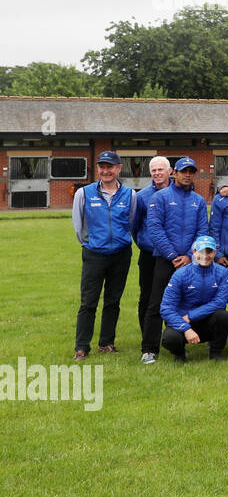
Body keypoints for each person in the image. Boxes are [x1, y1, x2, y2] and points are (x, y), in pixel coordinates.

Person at [71, 150, 138, 360]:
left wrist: (120, 241)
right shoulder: (84, 193)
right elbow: (78, 226)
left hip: (121, 254)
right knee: (88, 302)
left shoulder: (130, 195)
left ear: (118, 169)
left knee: (113, 301)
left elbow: (132, 223)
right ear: (98, 169)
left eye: (110, 167)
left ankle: (106, 342)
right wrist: (90, 244)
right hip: (94, 255)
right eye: (102, 167)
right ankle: (81, 347)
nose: (106, 171)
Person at [142, 156, 208, 365]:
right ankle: (149, 349)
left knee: (190, 302)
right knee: (156, 304)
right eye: (183, 171)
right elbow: (155, 229)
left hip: (191, 261)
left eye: (191, 171)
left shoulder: (198, 200)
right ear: (174, 173)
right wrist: (172, 256)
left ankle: (185, 344)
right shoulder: (160, 197)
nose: (187, 175)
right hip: (165, 260)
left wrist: (189, 255)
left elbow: (202, 230)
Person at [159, 236, 228, 363]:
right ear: (194, 252)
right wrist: (185, 328)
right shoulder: (180, 275)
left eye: (209, 252)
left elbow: (220, 302)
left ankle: (216, 353)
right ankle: (179, 354)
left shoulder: (222, 273)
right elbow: (166, 308)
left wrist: (191, 316)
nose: (205, 255)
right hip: (183, 321)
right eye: (201, 251)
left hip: (205, 320)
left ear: (214, 253)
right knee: (169, 338)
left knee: (223, 316)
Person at [132, 155, 171, 343]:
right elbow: (135, 225)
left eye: (160, 169)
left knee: (172, 296)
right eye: (153, 170)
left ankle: (172, 335)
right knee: (147, 297)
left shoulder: (180, 192)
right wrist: (144, 243)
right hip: (149, 255)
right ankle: (148, 337)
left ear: (170, 171)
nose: (156, 173)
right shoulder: (141, 197)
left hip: (172, 256)